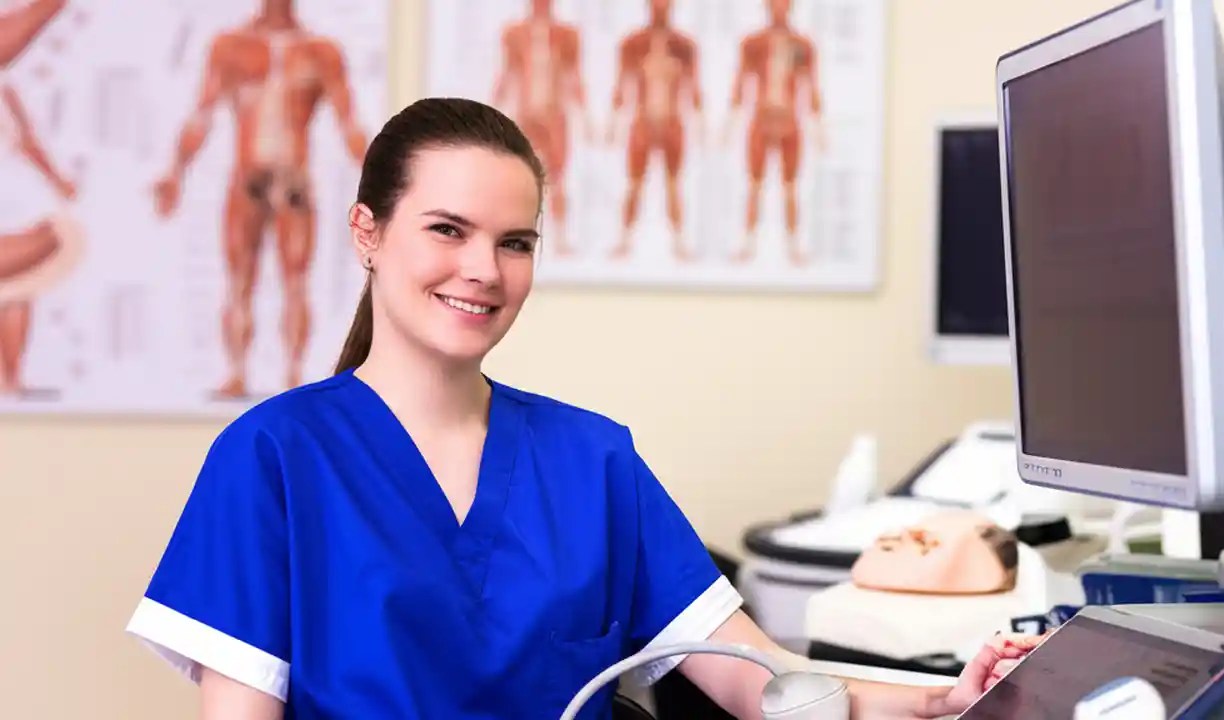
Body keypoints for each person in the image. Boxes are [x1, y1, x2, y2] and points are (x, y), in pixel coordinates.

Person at [126, 97, 1038, 719]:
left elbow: (759, 681)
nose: (483, 270)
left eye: (514, 242)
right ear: (368, 233)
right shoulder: (275, 459)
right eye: (447, 229)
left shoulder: (591, 460)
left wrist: (939, 698)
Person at [153, 0, 367, 399]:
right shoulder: (231, 47)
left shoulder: (320, 52)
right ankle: (237, 372)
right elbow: (202, 115)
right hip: (248, 177)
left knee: (296, 281)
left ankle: (293, 374)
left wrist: (383, 186)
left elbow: (348, 124)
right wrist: (174, 173)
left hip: (293, 181)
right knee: (239, 281)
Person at [0, 0, 81, 396]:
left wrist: (58, 180)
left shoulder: (6, 90)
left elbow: (28, 142)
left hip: (17, 197)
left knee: (19, 291)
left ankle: (11, 381)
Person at [726, 0, 825, 266]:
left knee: (790, 186)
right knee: (755, 185)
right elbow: (740, 83)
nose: (779, 7)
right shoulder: (754, 43)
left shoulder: (801, 45)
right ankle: (748, 243)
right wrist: (730, 125)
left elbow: (811, 86)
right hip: (761, 119)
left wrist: (819, 129)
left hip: (789, 121)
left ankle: (793, 245)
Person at [492, 0, 590, 257]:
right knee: (517, 178)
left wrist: (585, 117)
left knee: (557, 178)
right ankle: (510, 237)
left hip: (554, 115)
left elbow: (573, 77)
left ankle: (560, 238)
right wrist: (489, 111)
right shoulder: (515, 34)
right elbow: (508, 74)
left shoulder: (566, 35)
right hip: (527, 115)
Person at [607, 0, 702, 263]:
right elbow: (621, 85)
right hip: (643, 122)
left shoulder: (684, 46)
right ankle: (624, 240)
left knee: (673, 184)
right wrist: (613, 124)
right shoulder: (634, 43)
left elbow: (693, 88)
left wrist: (702, 126)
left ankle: (679, 241)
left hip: (672, 121)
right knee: (635, 183)